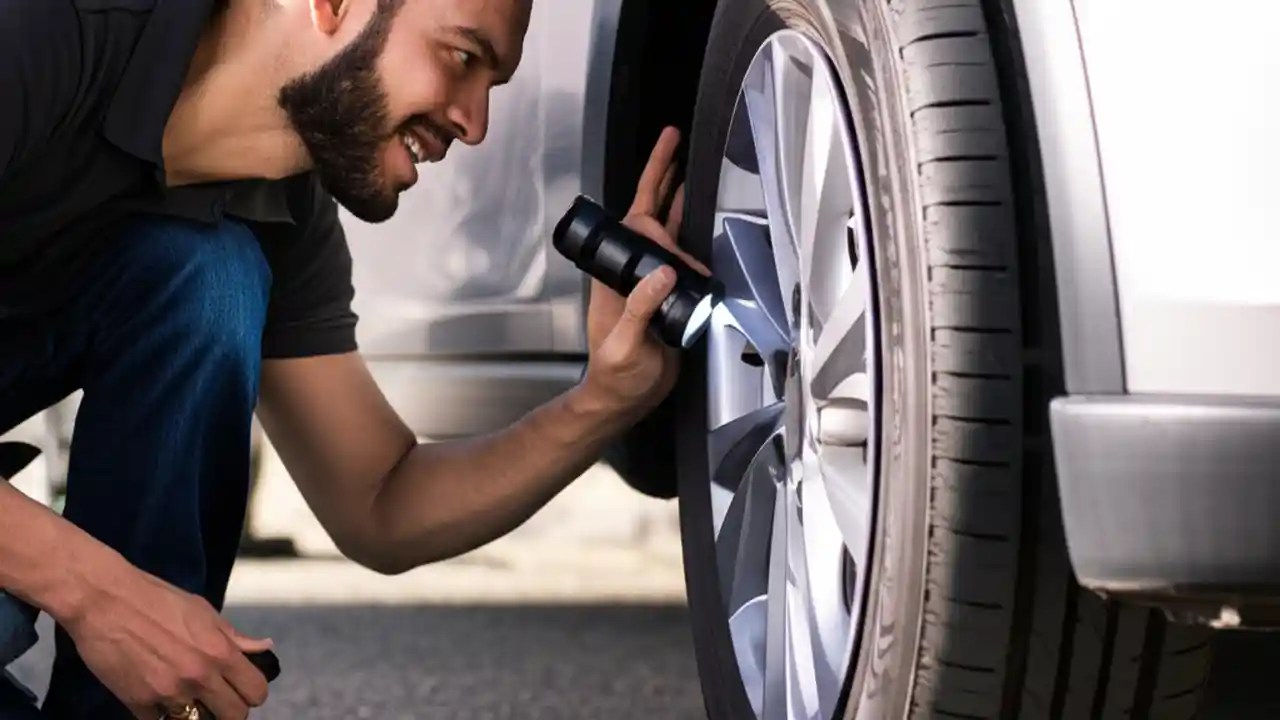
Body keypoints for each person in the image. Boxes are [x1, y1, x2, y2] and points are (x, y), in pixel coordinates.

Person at [0, 0, 700, 717]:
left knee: (212, 274)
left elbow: (381, 502)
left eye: (492, 85)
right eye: (462, 58)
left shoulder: (276, 208)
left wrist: (603, 400)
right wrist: (98, 593)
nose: (475, 123)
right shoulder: (46, 30)